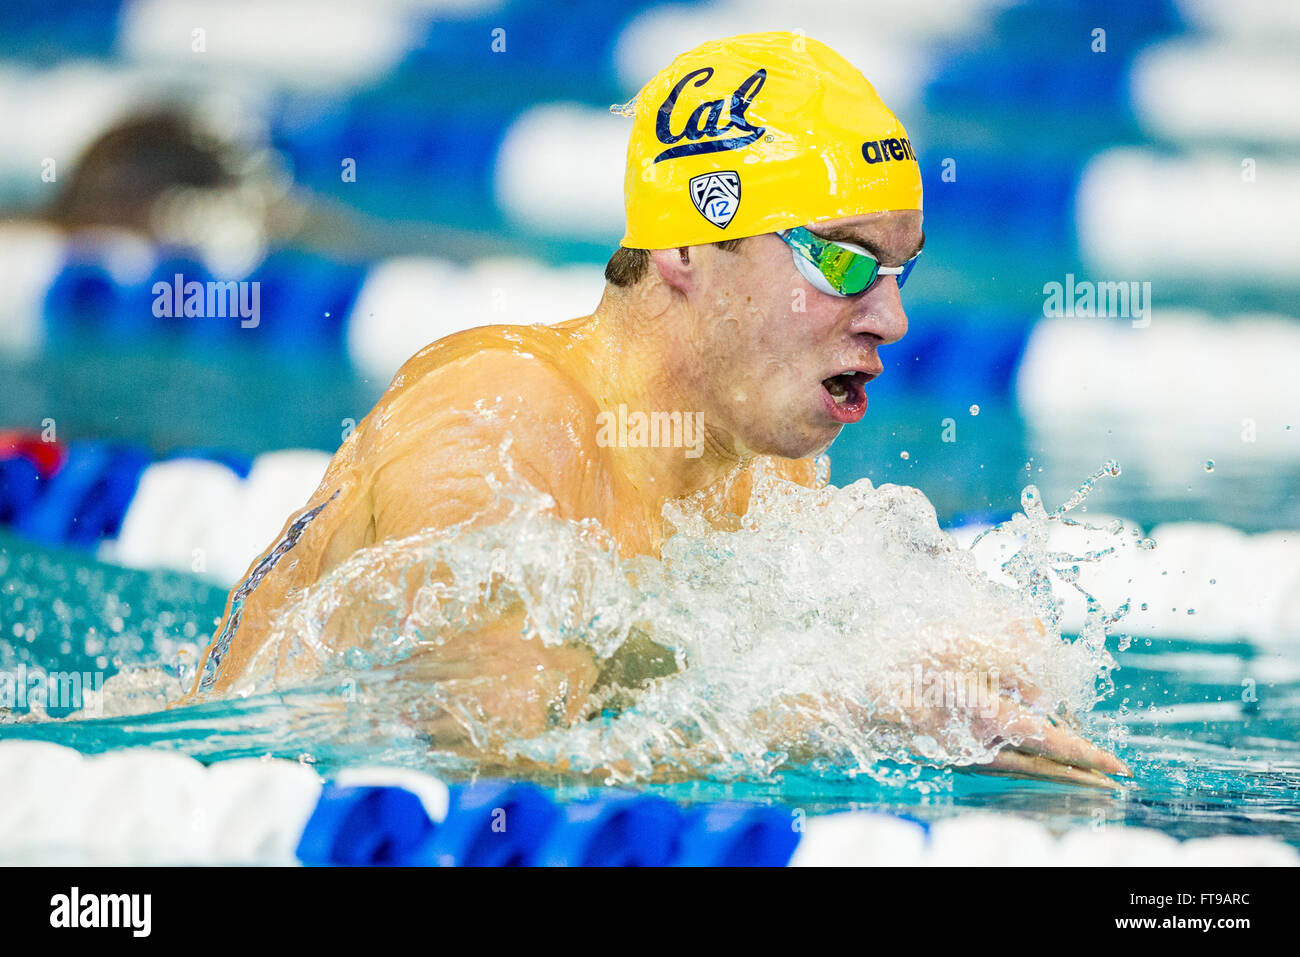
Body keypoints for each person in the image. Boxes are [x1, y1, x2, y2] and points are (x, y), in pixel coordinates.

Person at [183, 32, 1129, 786]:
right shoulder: (504, 424)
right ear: (685, 244)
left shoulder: (767, 465)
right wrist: (843, 711)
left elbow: (676, 691)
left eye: (899, 268)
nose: (892, 315)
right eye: (841, 260)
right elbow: (488, 766)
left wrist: (959, 670)